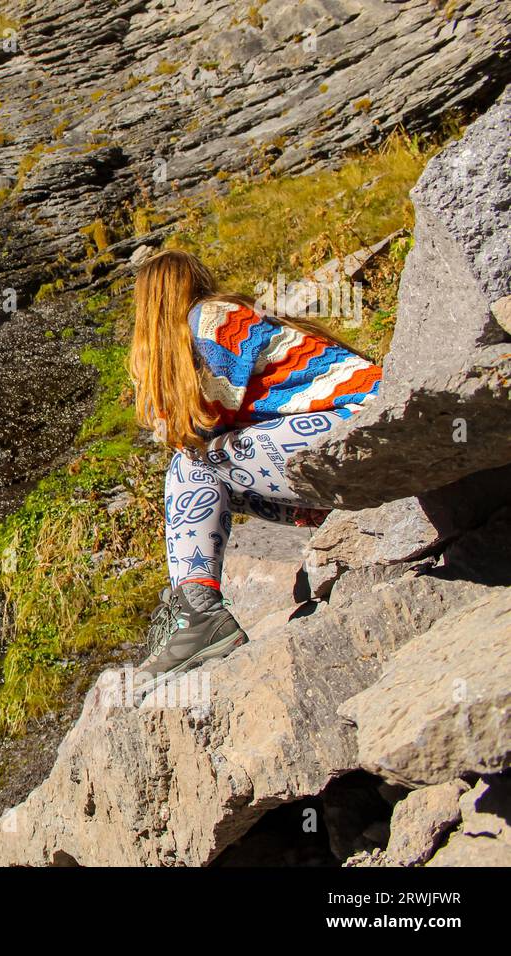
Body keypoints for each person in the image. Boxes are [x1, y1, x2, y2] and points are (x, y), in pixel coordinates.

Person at [127, 250, 382, 691]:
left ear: (153, 303)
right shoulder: (215, 320)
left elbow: (199, 423)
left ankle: (199, 615)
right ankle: (196, 610)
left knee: (194, 465)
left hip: (363, 422)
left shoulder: (213, 318)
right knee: (217, 478)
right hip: (340, 437)